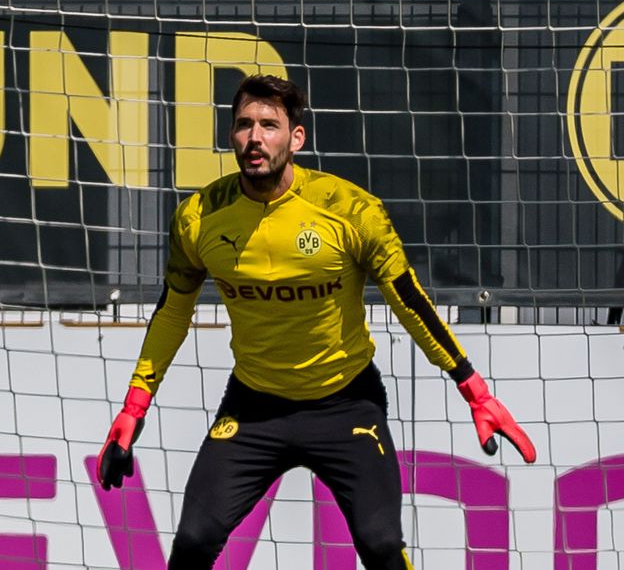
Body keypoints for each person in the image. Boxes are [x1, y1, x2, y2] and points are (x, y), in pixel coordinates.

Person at [95, 74, 536, 569]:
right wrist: (134, 409)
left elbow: (409, 302)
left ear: (296, 138)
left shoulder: (350, 210)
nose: (255, 137)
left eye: (269, 125)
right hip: (254, 407)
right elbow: (173, 311)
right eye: (244, 125)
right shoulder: (199, 218)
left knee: (382, 546)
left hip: (345, 404)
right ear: (231, 136)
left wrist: (475, 391)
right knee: (193, 543)